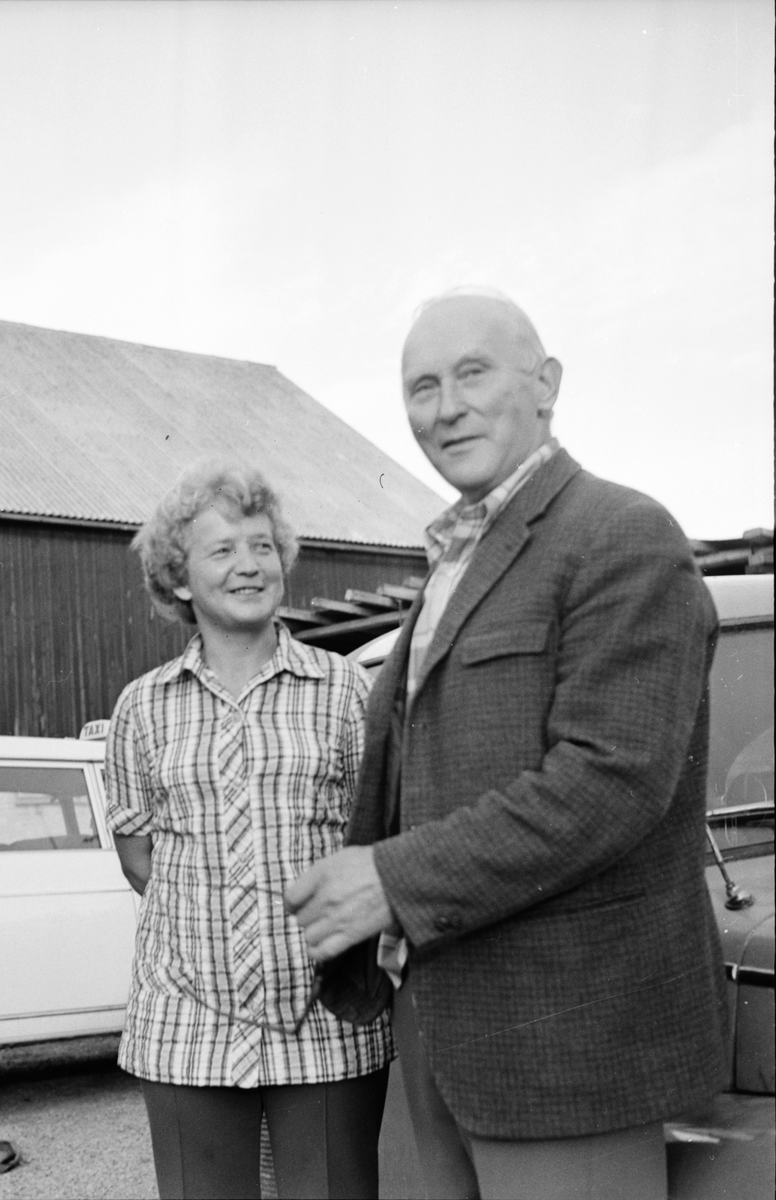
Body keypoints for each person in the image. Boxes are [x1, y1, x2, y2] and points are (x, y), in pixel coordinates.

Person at [286, 290, 730, 1200]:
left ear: (547, 384)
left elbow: (608, 783)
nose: (444, 407)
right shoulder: (453, 561)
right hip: (445, 1035)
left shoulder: (622, 534)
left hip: (570, 1051)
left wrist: (389, 880)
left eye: (472, 374)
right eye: (420, 388)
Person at [105, 462, 392, 1200]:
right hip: (185, 1022)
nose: (250, 565)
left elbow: (380, 841)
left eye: (263, 547)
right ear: (178, 579)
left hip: (325, 1019)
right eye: (223, 550)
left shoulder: (345, 692)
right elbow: (141, 857)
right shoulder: (142, 708)